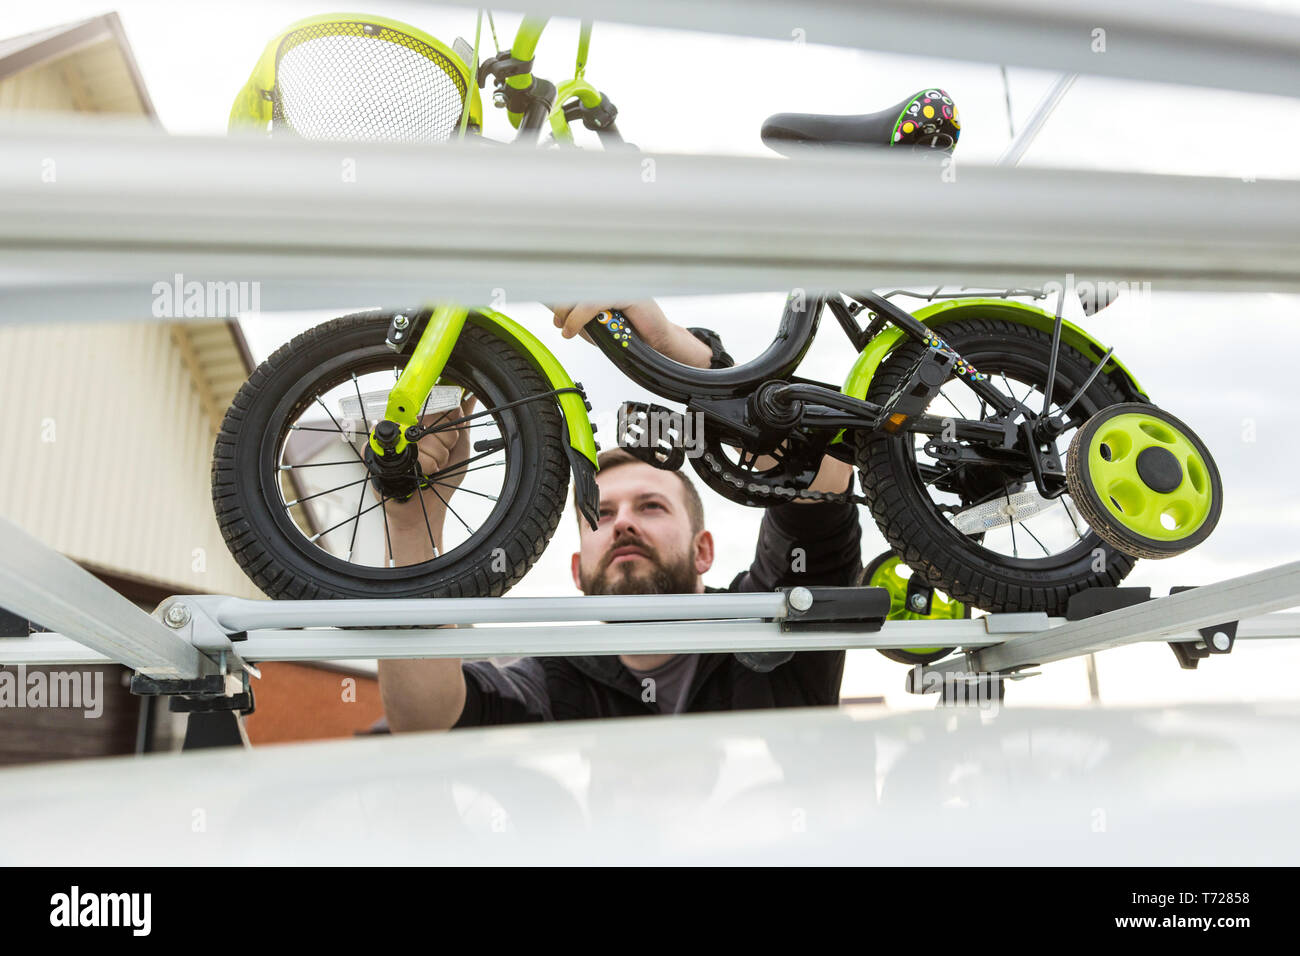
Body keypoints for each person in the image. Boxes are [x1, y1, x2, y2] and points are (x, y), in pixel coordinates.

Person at [378, 301, 862, 731]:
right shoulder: (554, 677)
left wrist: (673, 351)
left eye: (651, 506)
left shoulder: (767, 625)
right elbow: (426, 719)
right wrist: (412, 522)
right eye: (602, 514)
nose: (624, 523)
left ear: (704, 550)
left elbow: (823, 478)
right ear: (576, 571)